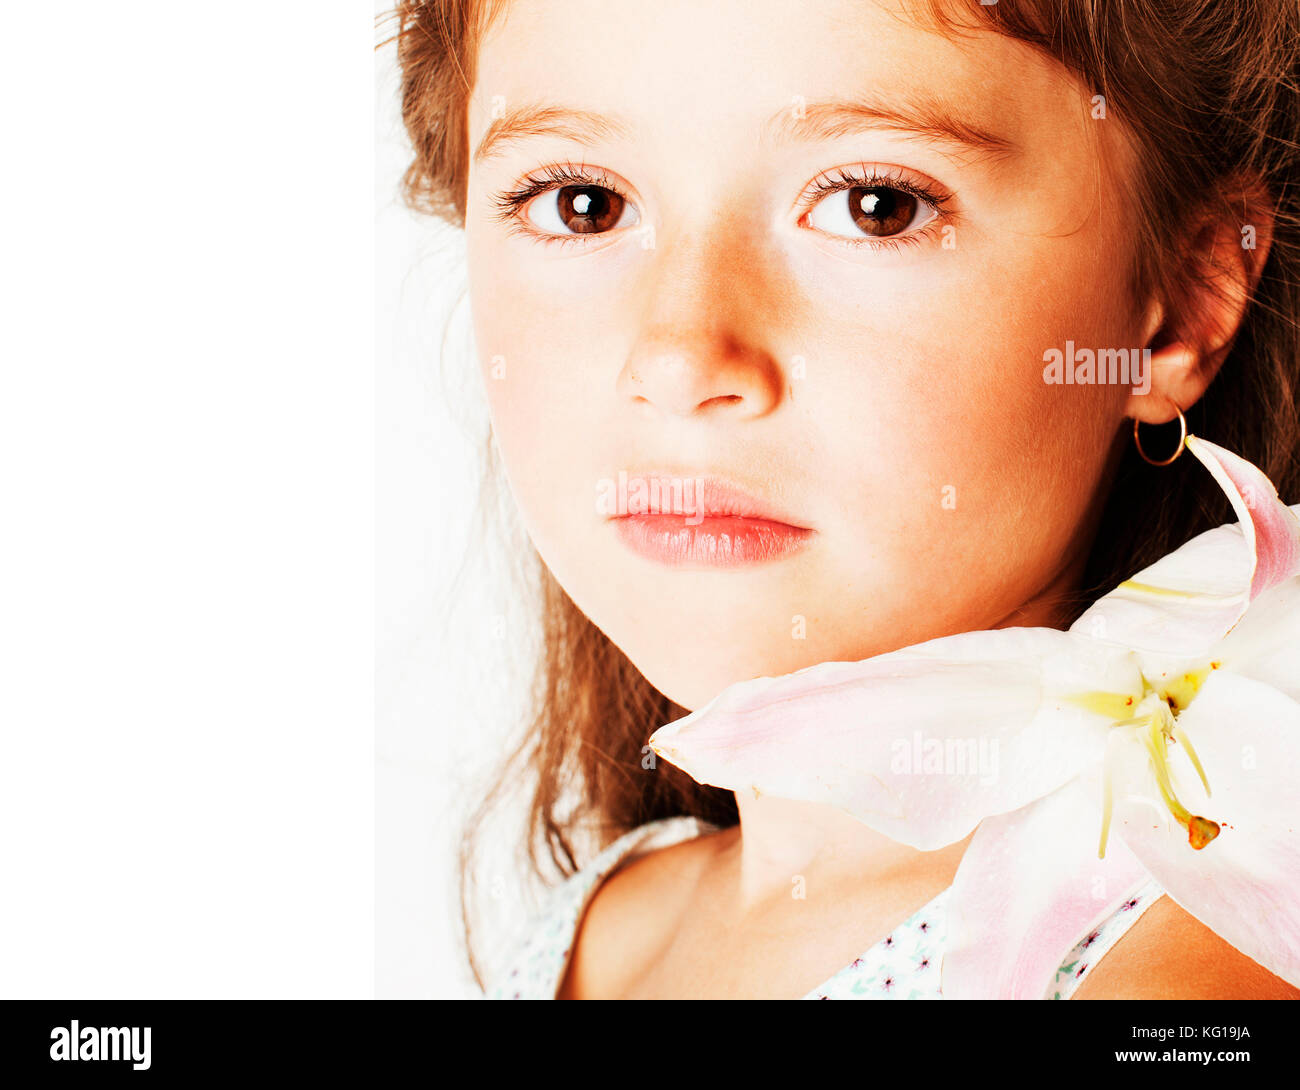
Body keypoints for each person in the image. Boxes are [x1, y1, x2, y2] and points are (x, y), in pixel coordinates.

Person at [386, 0, 1300, 998]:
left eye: (875, 204)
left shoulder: (1177, 987)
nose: (683, 355)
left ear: (1179, 300)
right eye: (579, 202)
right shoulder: (603, 924)